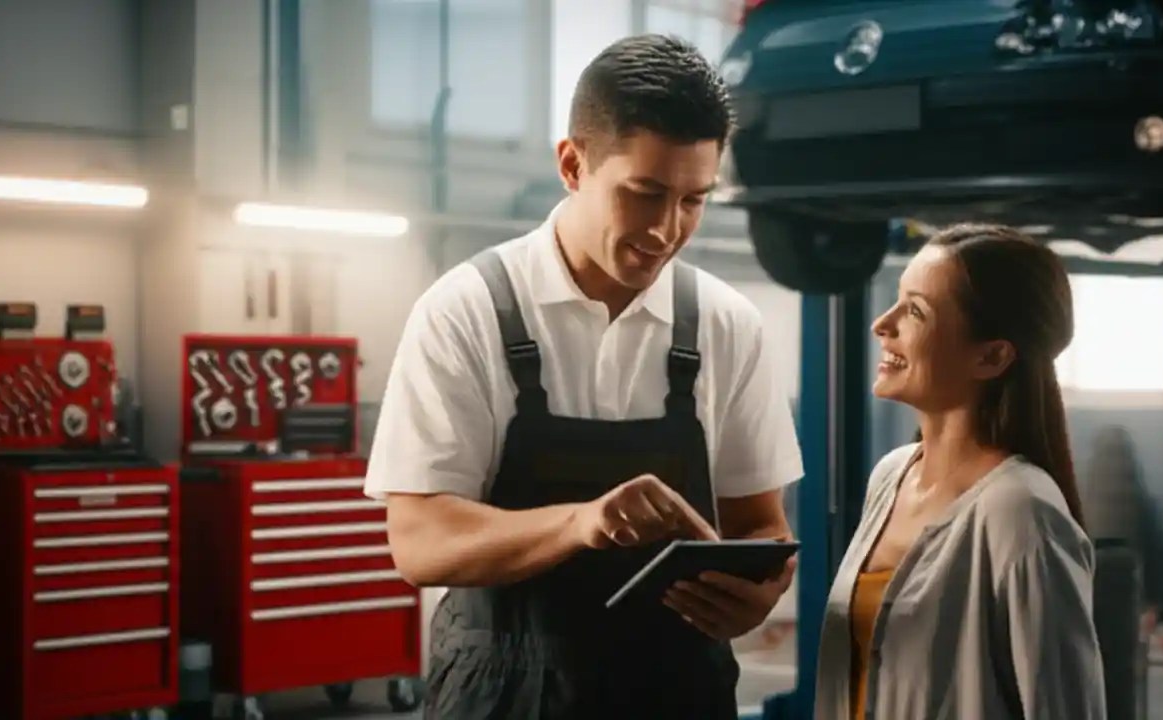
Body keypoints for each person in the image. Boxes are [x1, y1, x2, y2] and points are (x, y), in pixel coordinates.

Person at [365, 34, 803, 719]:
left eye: (693, 200)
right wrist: (578, 523)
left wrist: (758, 594)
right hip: (502, 694)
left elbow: (760, 525)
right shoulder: (467, 311)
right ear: (572, 164)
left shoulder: (726, 325)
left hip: (676, 691)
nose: (666, 230)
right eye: (644, 194)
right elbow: (419, 540)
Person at [815, 224, 1107, 720]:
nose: (882, 325)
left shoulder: (1020, 513)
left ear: (991, 356)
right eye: (897, 302)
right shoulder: (891, 476)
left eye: (915, 311)